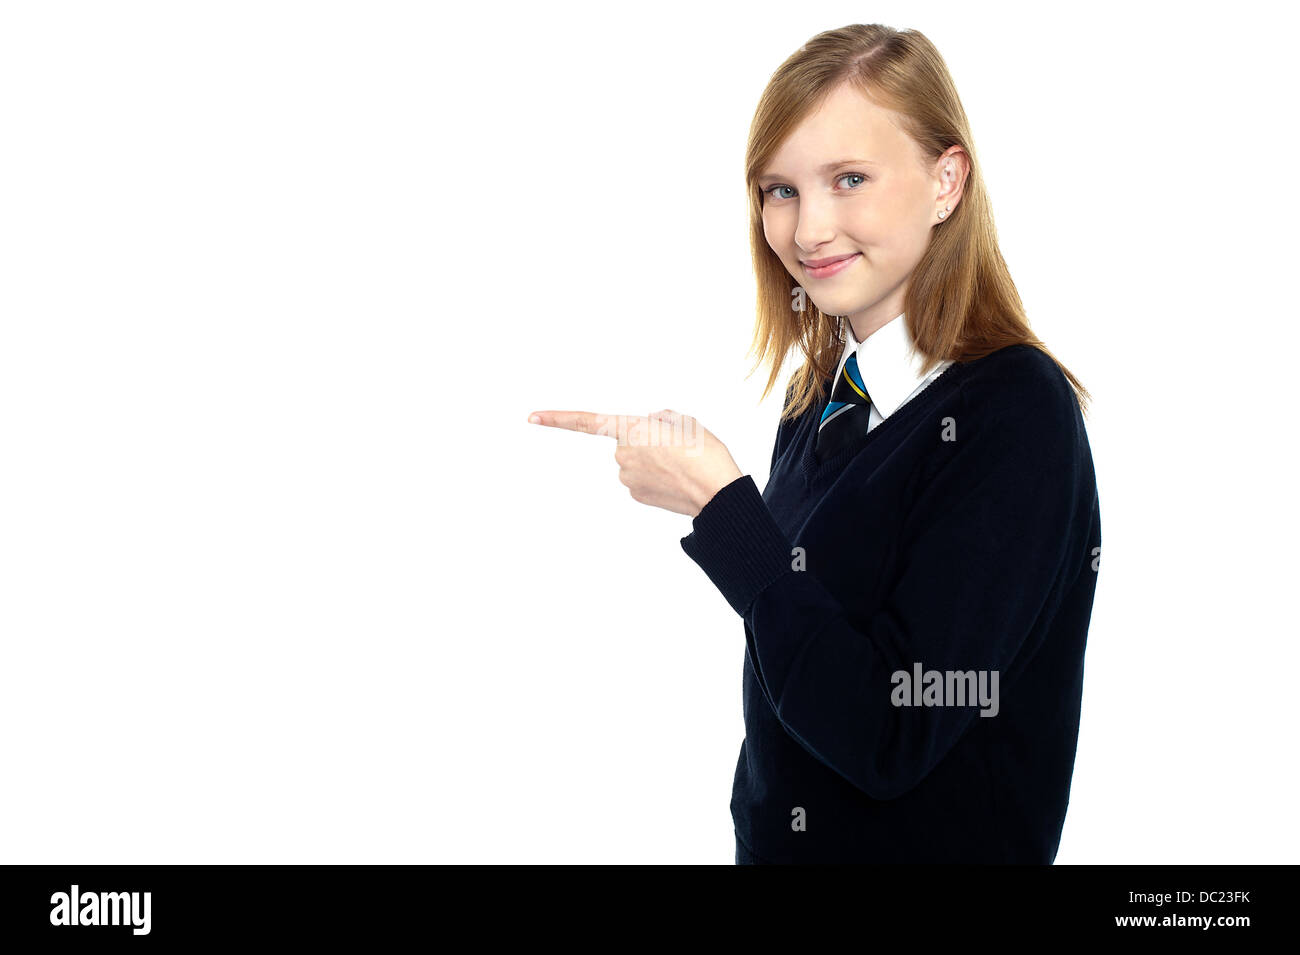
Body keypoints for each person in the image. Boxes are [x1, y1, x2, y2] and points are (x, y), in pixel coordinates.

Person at [527, 23, 1100, 864]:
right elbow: (799, 680)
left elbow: (891, 732)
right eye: (781, 190)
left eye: (850, 179)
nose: (807, 229)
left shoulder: (1015, 414)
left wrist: (724, 507)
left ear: (947, 180)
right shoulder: (822, 399)